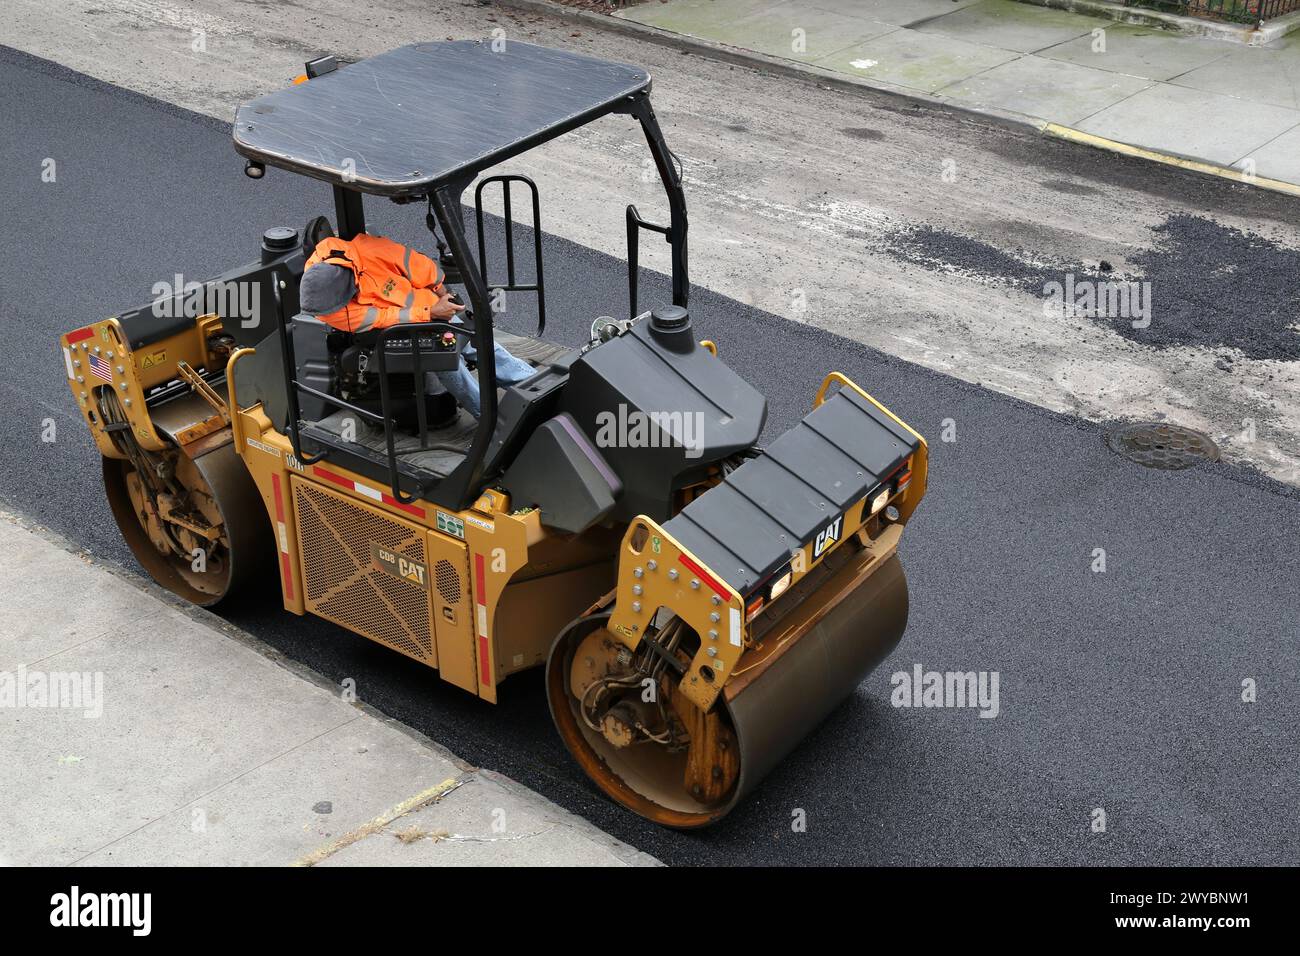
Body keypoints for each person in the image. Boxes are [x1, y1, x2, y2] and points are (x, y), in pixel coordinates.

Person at [298, 232, 534, 416]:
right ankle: (491, 418)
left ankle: (531, 386)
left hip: (430, 308)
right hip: (394, 330)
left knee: (477, 343)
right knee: (447, 362)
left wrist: (443, 294)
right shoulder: (325, 306)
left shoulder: (370, 251)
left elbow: (416, 265)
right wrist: (429, 313)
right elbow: (382, 318)